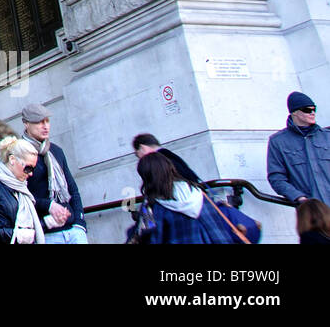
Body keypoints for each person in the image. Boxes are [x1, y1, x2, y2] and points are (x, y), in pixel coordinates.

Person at [131, 152, 260, 244]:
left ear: (146, 176)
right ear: (170, 168)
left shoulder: (152, 204)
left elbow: (151, 237)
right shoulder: (196, 192)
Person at [21, 103, 87, 243]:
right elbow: (20, 196)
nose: (45, 126)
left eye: (47, 121)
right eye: (39, 122)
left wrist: (79, 224)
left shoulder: (56, 151)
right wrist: (49, 205)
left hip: (73, 230)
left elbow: (72, 189)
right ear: (26, 124)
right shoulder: (19, 153)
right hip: (46, 233)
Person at [0, 135, 45, 244]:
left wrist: (48, 222)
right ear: (12, 159)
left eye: (33, 169)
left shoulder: (23, 188)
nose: (31, 173)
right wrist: (15, 235)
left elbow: (29, 227)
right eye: (28, 168)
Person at [266, 91, 330, 205]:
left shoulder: (327, 136)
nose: (312, 113)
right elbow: (276, 177)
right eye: (307, 110)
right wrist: (298, 197)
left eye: (314, 109)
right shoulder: (278, 142)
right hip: (312, 210)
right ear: (294, 113)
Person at [131, 133, 203, 185]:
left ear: (143, 148)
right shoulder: (171, 157)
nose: (139, 159)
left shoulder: (159, 162)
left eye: (137, 154)